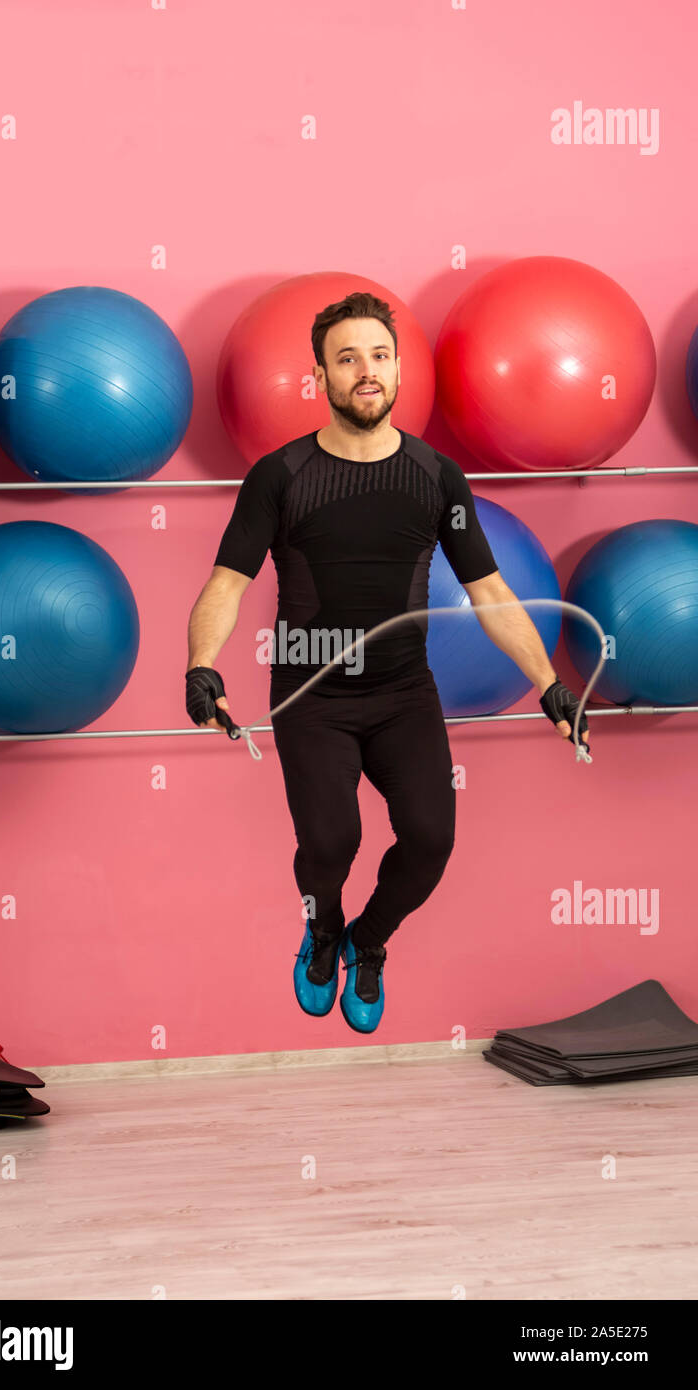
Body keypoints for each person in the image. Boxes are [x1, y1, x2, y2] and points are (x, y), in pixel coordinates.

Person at [186, 291, 589, 1035]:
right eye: (346, 359)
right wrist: (201, 664)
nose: (365, 371)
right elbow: (226, 583)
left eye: (378, 355)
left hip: (405, 691)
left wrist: (551, 685)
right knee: (331, 841)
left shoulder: (437, 478)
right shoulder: (280, 476)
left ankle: (367, 943)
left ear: (398, 369)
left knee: (432, 841)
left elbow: (492, 591)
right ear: (320, 378)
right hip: (311, 692)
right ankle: (326, 928)